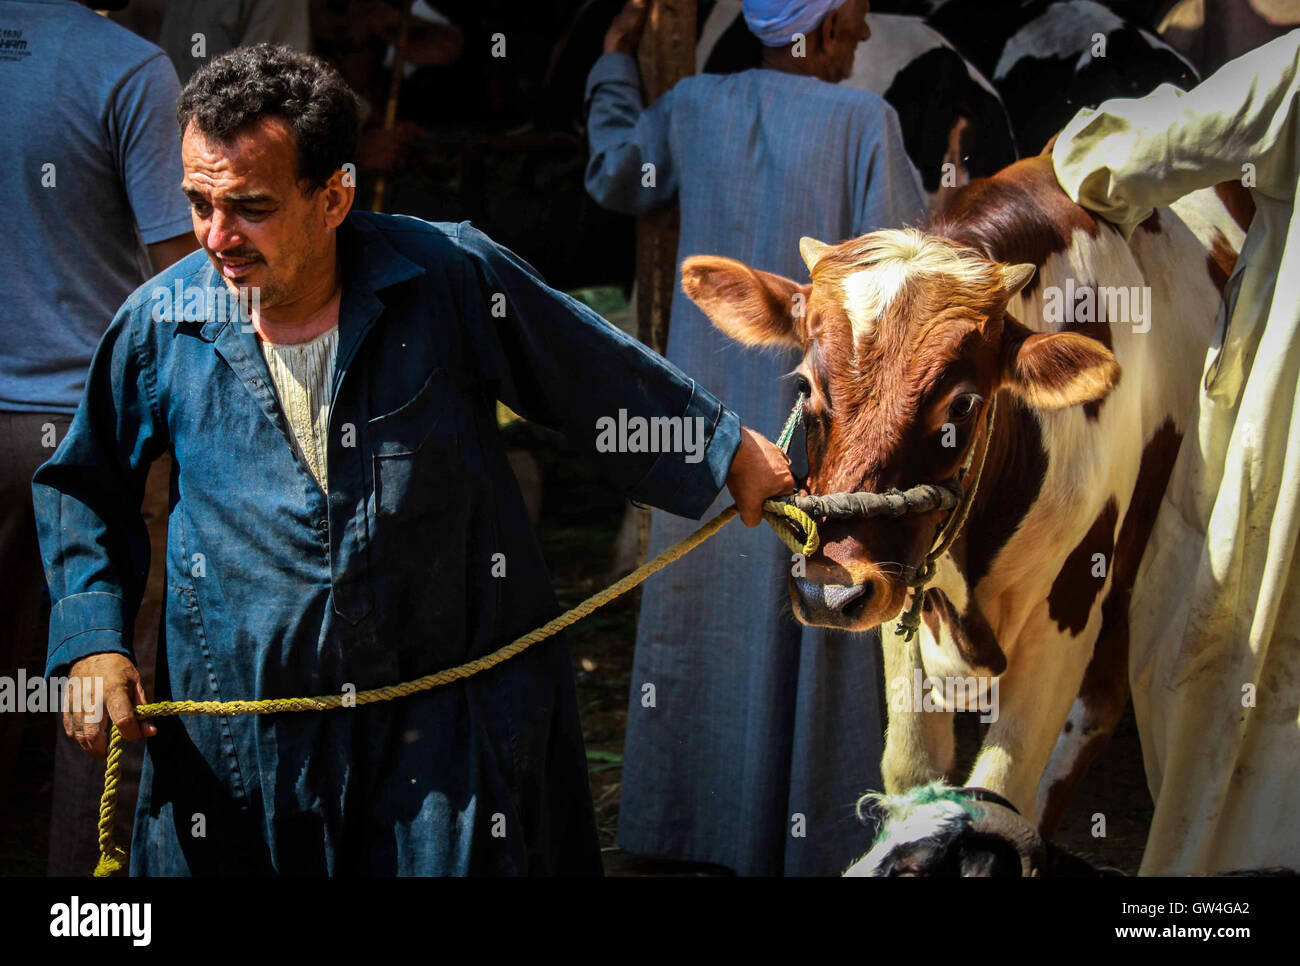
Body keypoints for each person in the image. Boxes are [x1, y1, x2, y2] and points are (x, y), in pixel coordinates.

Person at [34, 43, 794, 876]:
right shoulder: (159, 323)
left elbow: (586, 370)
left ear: (333, 196)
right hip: (248, 745)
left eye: (248, 207)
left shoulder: (447, 273)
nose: (215, 237)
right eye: (198, 202)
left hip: (445, 735)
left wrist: (722, 449)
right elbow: (82, 485)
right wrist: (92, 640)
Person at [584, 0, 926, 874]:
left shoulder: (695, 106)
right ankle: (824, 838)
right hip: (824, 435)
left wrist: (614, 69)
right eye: (847, 17)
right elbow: (900, 276)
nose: (858, 35)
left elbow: (615, 174)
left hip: (707, 437)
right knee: (828, 613)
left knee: (709, 624)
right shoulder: (866, 122)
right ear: (806, 26)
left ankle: (694, 832)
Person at [1053, 28, 1300, 874]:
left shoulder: (1292, 72)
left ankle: (1232, 867)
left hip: (1288, 414)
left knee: (1236, 638)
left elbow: (1132, 156)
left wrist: (1067, 146)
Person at [0, 0, 197, 875]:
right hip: (89, 429)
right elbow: (186, 268)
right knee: (106, 671)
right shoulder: (125, 65)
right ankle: (90, 896)